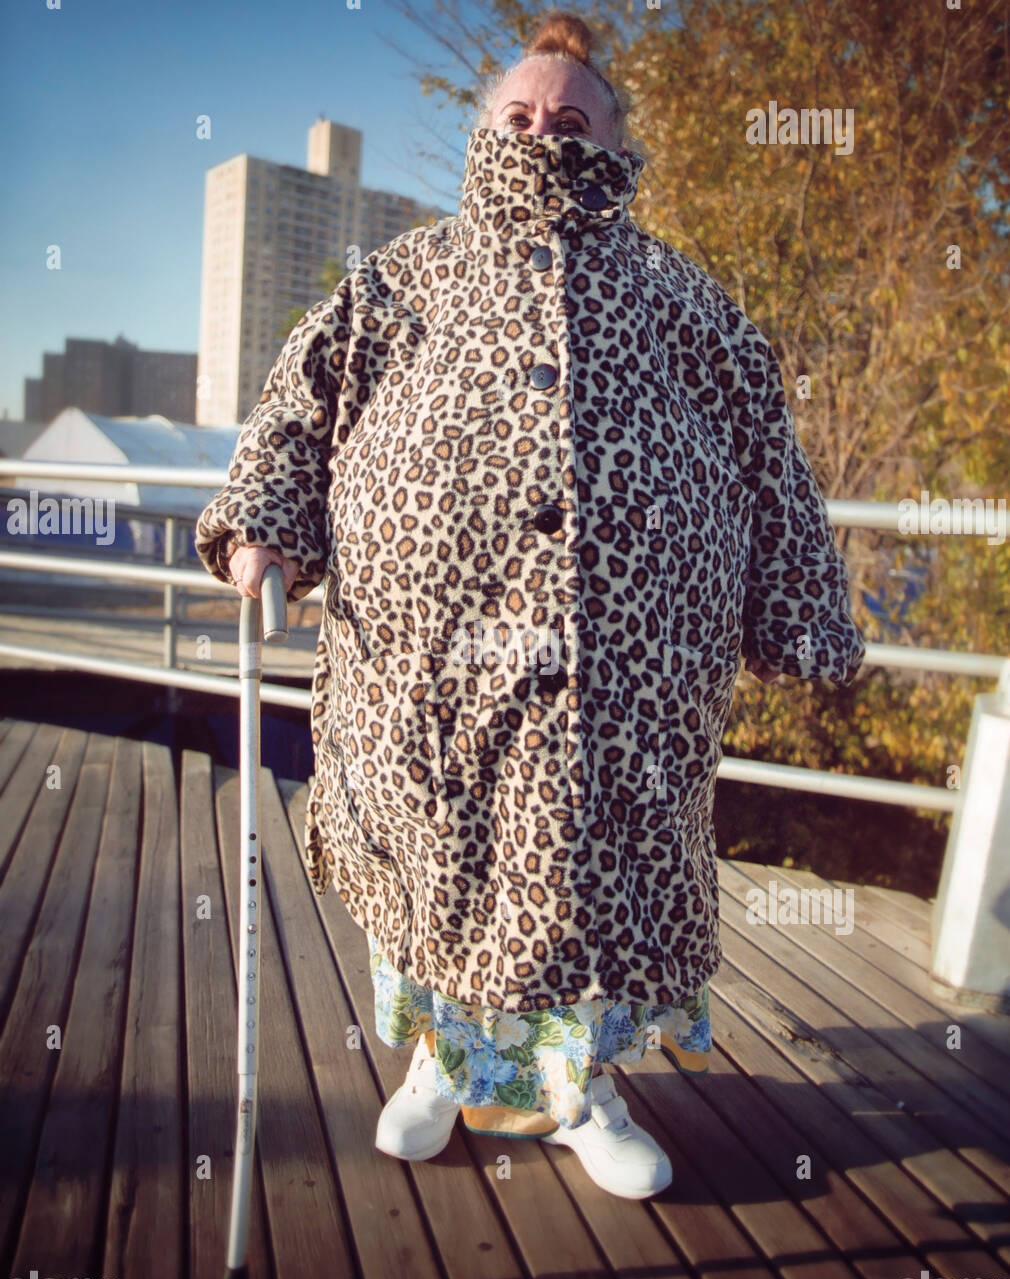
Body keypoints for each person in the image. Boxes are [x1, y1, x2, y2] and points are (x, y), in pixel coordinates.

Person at [196, 11, 865, 1202]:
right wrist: (262, 524)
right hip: (425, 669)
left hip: (628, 683)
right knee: (443, 865)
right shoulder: (406, 273)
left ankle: (581, 1095)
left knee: (591, 878)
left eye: (570, 114)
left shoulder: (676, 294)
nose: (542, 129)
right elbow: (304, 393)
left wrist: (796, 608)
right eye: (519, 112)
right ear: (483, 129)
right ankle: (437, 1068)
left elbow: (764, 443)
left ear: (611, 136)